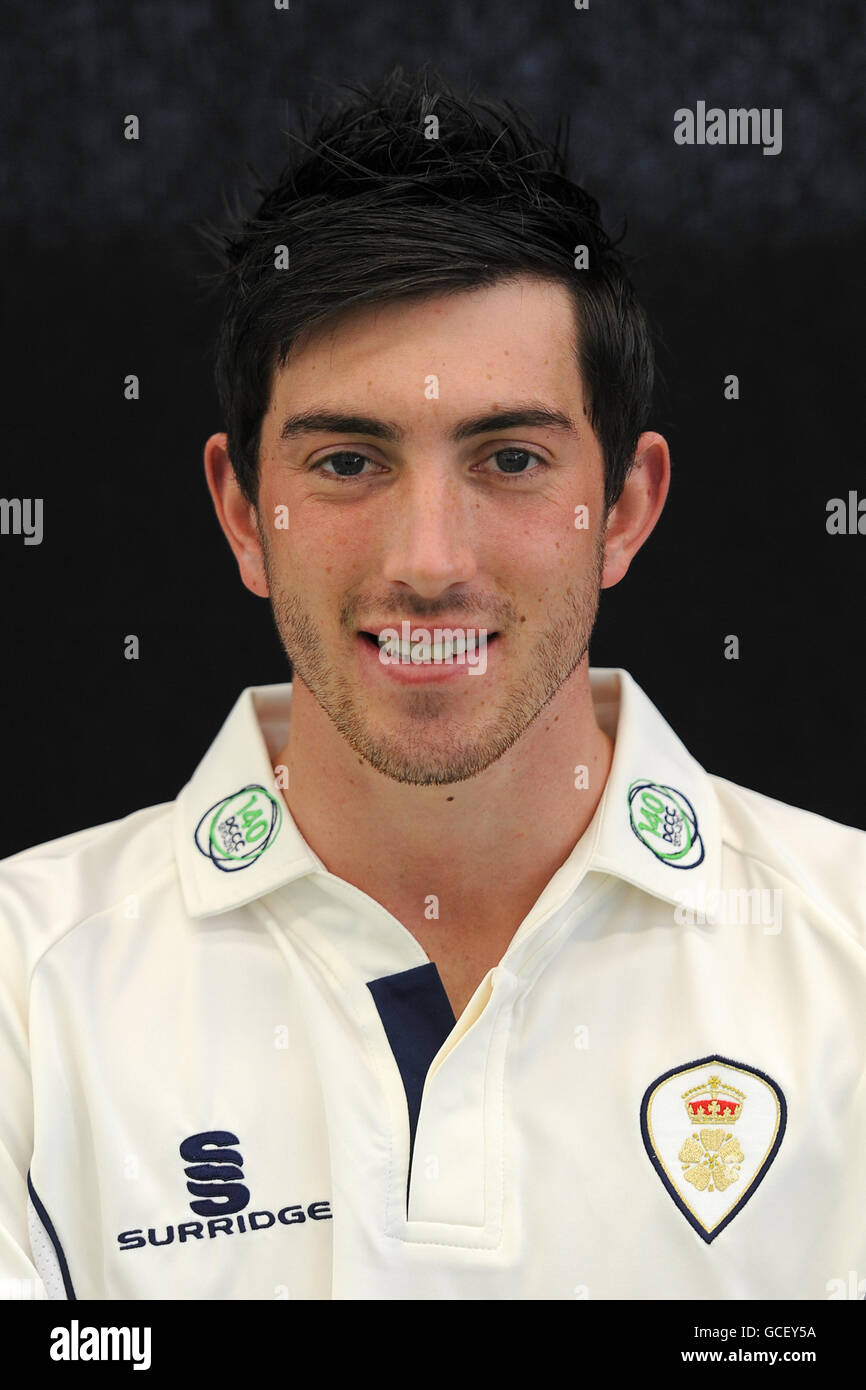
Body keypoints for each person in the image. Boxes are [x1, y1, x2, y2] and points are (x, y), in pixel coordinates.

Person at [1, 64, 863, 1303]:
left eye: (508, 458)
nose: (427, 563)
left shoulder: (849, 957)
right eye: (347, 461)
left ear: (621, 508)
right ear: (244, 514)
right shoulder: (23, 994)